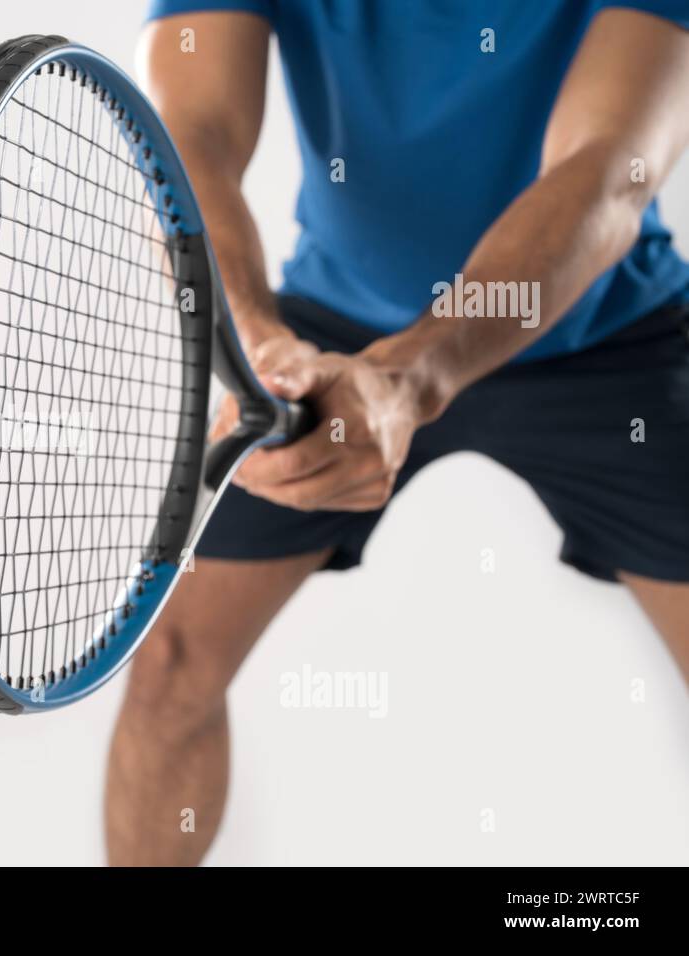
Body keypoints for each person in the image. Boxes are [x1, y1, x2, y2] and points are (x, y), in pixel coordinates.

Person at [106, 0, 689, 866]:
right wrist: (261, 352)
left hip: (603, 335)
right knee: (169, 670)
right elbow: (190, 137)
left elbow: (611, 171)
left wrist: (412, 377)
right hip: (323, 336)